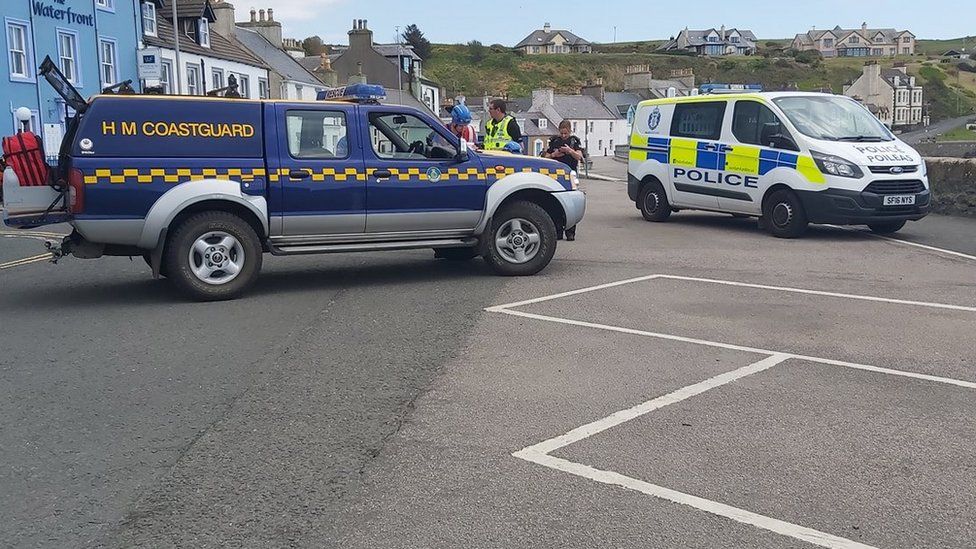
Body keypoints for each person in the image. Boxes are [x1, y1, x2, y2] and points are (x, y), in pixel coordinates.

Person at [543, 120, 584, 240]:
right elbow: (545, 157)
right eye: (562, 133)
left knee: (571, 202)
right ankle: (558, 230)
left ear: (570, 131)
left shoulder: (574, 141)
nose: (564, 136)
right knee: (556, 202)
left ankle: (570, 232)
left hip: (570, 174)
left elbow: (580, 157)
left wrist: (570, 151)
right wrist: (554, 155)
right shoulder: (555, 141)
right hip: (556, 175)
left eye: (566, 133)